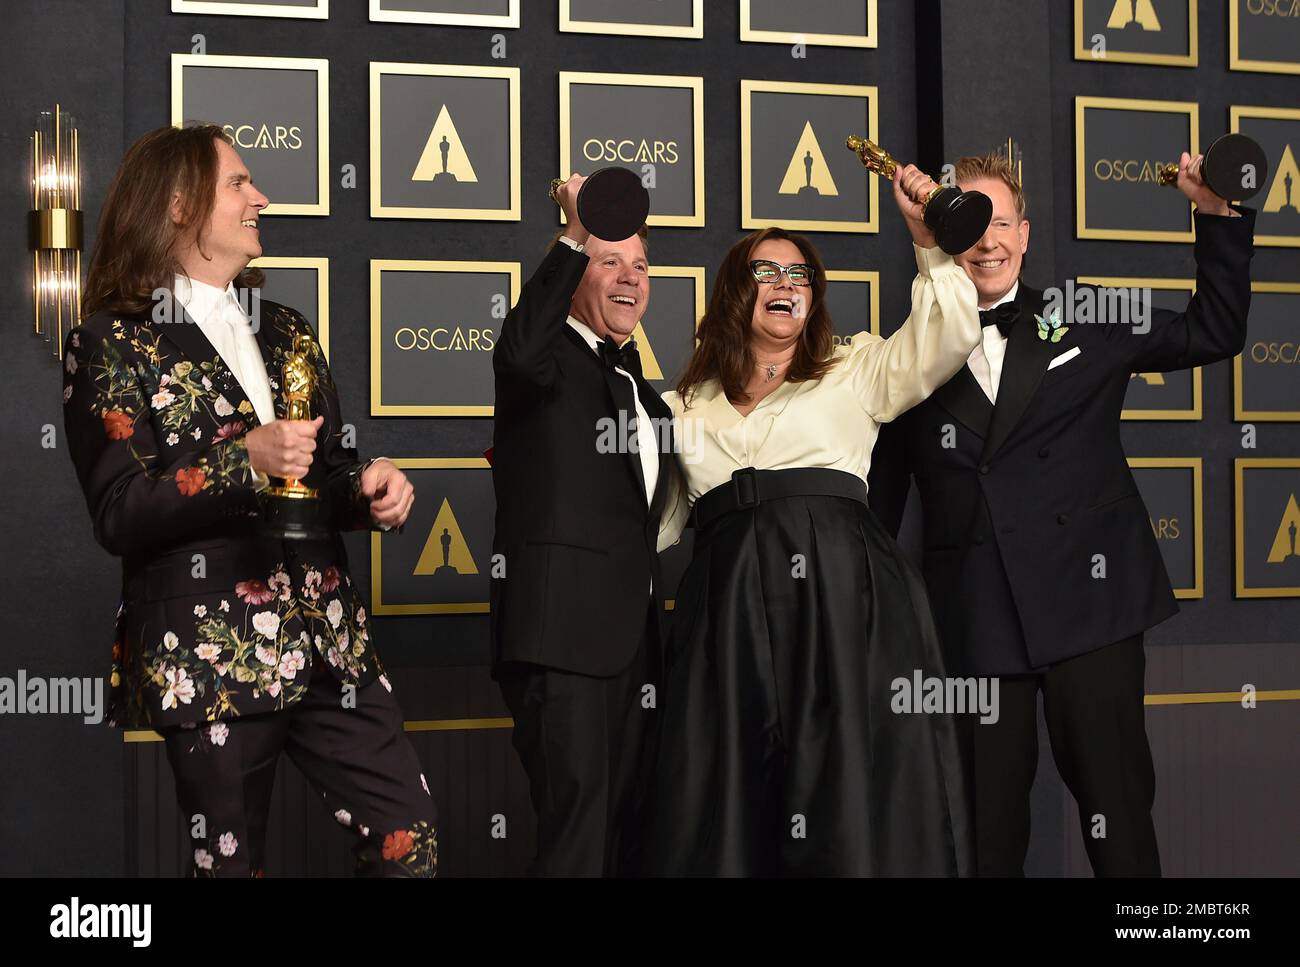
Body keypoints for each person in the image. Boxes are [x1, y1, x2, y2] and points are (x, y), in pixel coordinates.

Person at [63, 124, 436, 877]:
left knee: (410, 841)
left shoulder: (287, 329)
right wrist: (242, 459)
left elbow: (321, 474)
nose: (260, 196)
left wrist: (367, 489)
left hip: (331, 643)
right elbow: (120, 510)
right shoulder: (109, 341)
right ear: (177, 206)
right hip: (212, 660)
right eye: (238, 183)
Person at [868, 150, 1255, 876]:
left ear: (1027, 233)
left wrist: (1215, 214)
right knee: (984, 833)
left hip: (1093, 610)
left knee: (1119, 821)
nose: (988, 241)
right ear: (947, 231)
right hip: (976, 625)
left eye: (1002, 222)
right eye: (973, 222)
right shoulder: (906, 358)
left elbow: (1214, 330)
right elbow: (878, 507)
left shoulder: (1088, 318)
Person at [645, 165, 981, 875]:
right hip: (727, 610)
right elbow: (649, 520)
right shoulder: (681, 406)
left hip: (844, 599)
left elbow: (950, 333)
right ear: (736, 292)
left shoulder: (853, 367)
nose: (785, 284)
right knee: (726, 799)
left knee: (846, 797)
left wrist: (929, 239)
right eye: (765, 271)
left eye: (799, 275)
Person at [490, 174, 674, 875]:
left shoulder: (647, 398)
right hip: (561, 642)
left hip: (638, 649)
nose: (630, 279)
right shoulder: (539, 364)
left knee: (626, 844)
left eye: (641, 266)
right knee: (576, 846)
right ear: (571, 272)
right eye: (608, 261)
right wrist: (575, 226)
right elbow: (519, 345)